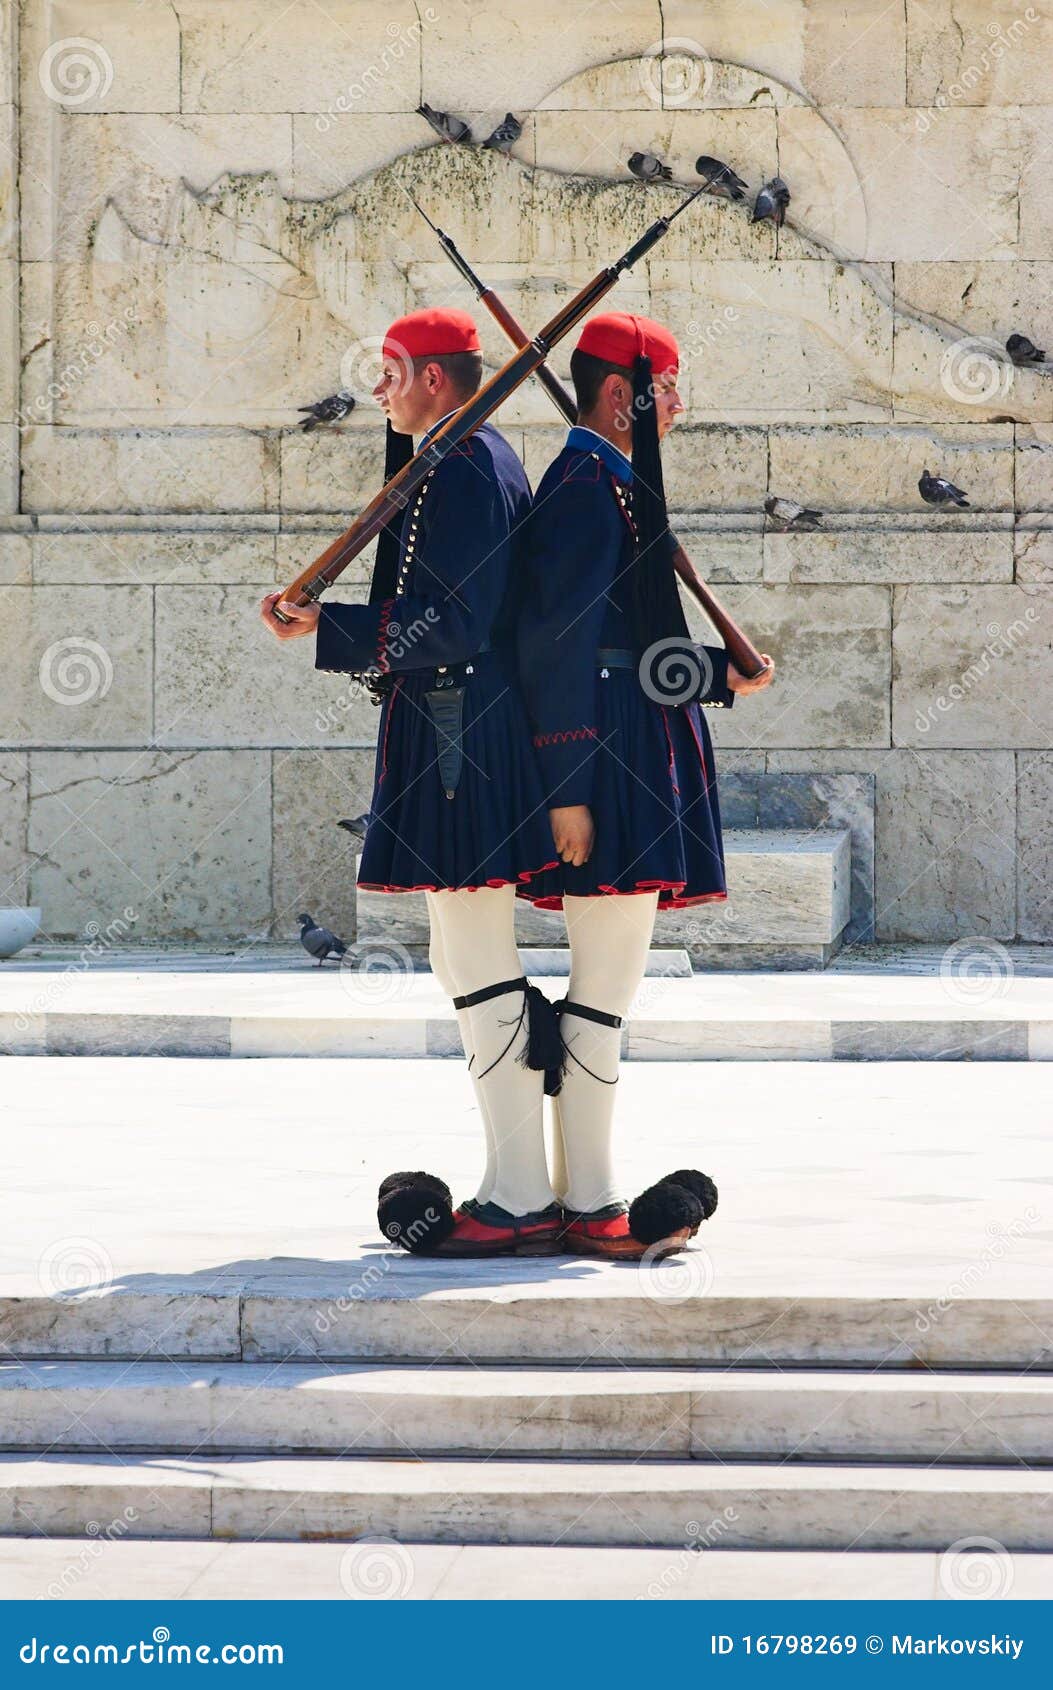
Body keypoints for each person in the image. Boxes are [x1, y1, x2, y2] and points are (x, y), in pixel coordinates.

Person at [261, 306, 566, 1257]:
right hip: (444, 722)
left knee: (474, 957)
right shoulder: (450, 457)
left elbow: (462, 621)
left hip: (459, 729)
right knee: (459, 957)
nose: (378, 390)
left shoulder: (470, 464)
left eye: (390, 372)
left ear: (435, 378)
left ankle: (519, 1196)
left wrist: (334, 629)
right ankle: (521, 1184)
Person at [515, 311, 775, 1260]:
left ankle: (569, 1191)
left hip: (632, 740)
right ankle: (587, 1202)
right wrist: (570, 787)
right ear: (622, 397)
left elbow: (632, 641)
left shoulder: (610, 481)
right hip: (611, 759)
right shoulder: (586, 488)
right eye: (668, 387)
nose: (680, 406)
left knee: (605, 986)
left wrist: (716, 674)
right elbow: (560, 648)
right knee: (604, 990)